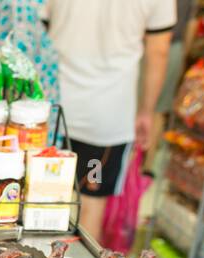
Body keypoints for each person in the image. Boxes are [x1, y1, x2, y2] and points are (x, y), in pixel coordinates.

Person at [40, 0, 176, 242]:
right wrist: (146, 111)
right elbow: (159, 52)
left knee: (43, 199)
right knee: (91, 205)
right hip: (107, 119)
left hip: (52, 110)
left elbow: (38, 30)